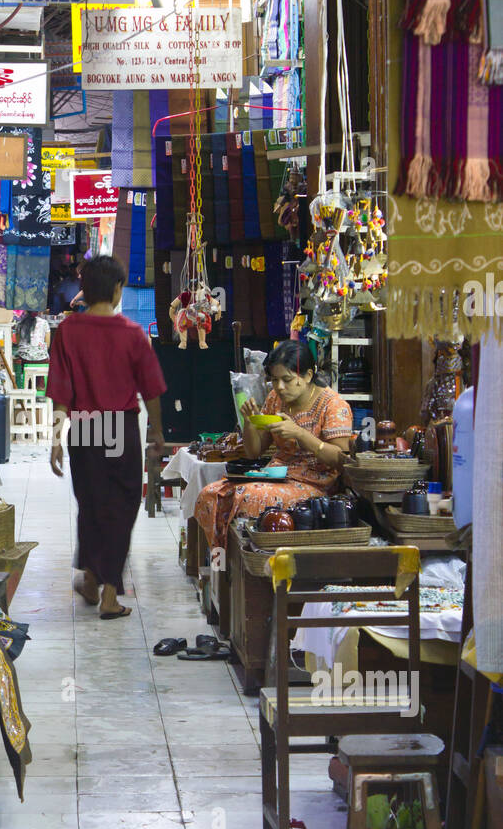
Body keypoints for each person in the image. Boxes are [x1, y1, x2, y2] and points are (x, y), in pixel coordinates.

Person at [46, 254, 167, 620]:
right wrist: (156, 431)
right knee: (121, 506)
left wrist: (55, 439)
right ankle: (109, 593)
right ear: (117, 290)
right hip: (118, 427)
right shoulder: (131, 333)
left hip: (85, 427)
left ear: (84, 289)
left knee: (93, 503)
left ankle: (90, 574)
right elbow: (152, 390)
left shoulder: (68, 331)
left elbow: (59, 390)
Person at [194, 340, 354, 555]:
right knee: (210, 493)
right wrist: (249, 422)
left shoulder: (334, 406)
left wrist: (299, 433)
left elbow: (340, 458)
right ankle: (222, 565)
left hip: (315, 484)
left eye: (287, 380)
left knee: (247, 496)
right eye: (274, 380)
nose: (279, 387)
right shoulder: (275, 399)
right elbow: (254, 452)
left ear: (307, 375)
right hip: (276, 476)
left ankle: (242, 566)